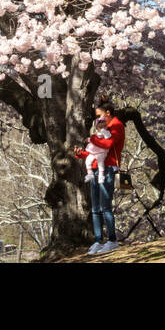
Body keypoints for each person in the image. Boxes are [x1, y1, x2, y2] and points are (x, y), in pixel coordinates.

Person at [72, 97, 124, 255]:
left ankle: (112, 240)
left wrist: (92, 137)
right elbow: (94, 149)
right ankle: (98, 241)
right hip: (94, 168)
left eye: (99, 115)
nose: (97, 119)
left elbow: (107, 145)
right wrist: (81, 154)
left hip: (107, 168)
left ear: (108, 113)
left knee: (105, 206)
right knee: (95, 208)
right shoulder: (101, 128)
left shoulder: (116, 126)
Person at [84, 116, 113, 184]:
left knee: (100, 162)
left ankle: (101, 176)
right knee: (88, 160)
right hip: (94, 150)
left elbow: (107, 137)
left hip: (102, 151)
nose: (102, 127)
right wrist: (88, 139)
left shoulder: (107, 132)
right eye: (100, 126)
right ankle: (90, 174)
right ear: (97, 127)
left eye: (104, 125)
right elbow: (93, 139)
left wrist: (103, 131)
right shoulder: (96, 133)